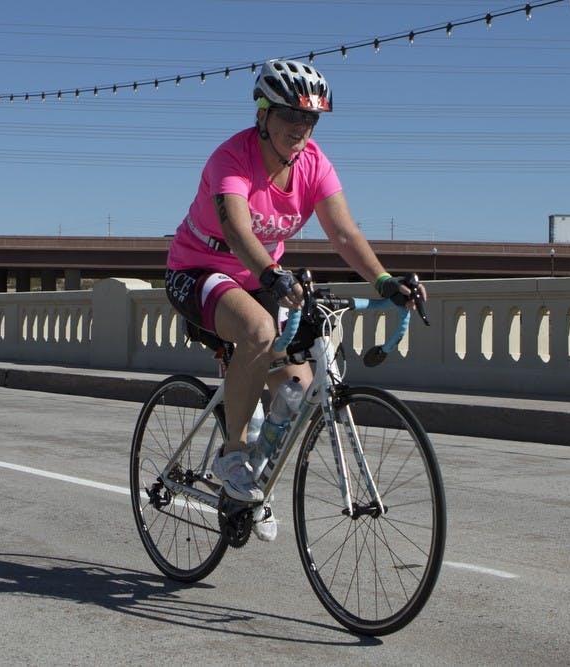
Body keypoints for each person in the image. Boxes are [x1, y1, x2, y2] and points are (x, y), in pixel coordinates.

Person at [164, 58, 423, 542]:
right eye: (290, 116)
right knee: (259, 331)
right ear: (262, 115)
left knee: (299, 388)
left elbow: (344, 233)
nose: (300, 129)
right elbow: (238, 230)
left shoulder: (314, 164)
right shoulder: (232, 158)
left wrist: (385, 281)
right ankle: (233, 457)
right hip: (200, 270)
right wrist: (270, 273)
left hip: (266, 279)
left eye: (310, 119)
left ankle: (254, 485)